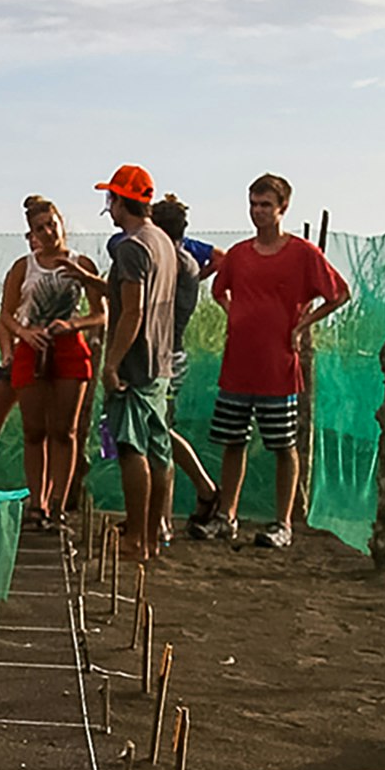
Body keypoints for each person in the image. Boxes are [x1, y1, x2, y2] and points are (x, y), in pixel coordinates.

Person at [206, 174, 352, 548]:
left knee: (283, 445)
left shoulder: (303, 254)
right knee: (232, 441)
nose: (258, 211)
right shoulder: (238, 254)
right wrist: (233, 314)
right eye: (253, 204)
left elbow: (340, 294)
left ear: (282, 208)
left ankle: (283, 523)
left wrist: (303, 323)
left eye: (265, 204)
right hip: (238, 365)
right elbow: (217, 291)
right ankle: (226, 517)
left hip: (278, 367)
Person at [0, 195, 105, 528]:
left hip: (69, 347)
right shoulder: (23, 266)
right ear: (31, 233)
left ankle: (60, 502)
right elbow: (5, 312)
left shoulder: (82, 264)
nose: (48, 233)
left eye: (52, 225)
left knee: (65, 431)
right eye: (39, 228)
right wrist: (24, 333)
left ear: (62, 223)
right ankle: (37, 502)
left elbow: (99, 314)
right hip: (31, 348)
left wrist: (72, 324)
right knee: (34, 430)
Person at [94, 165, 182, 560]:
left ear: (118, 200)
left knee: (132, 449)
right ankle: (151, 536)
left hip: (134, 364)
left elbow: (131, 311)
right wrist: (89, 280)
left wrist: (111, 365)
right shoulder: (161, 240)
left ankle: (135, 539)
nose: (108, 206)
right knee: (159, 450)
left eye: (110, 198)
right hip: (161, 362)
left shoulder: (130, 247)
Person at [150, 196, 228, 534]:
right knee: (158, 432)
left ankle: (164, 519)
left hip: (165, 357)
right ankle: (203, 491)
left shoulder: (175, 263)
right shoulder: (186, 261)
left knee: (158, 435)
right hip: (168, 355)